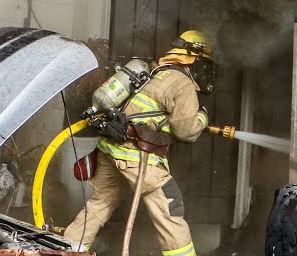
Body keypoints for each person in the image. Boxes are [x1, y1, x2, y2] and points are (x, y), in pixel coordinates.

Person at [63, 29, 216, 256]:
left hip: (110, 150)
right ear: (194, 60)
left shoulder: (155, 71)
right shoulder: (182, 83)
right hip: (137, 157)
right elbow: (185, 130)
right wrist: (202, 118)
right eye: (204, 64)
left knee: (101, 203)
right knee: (169, 208)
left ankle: (68, 249)